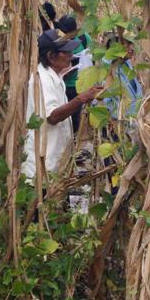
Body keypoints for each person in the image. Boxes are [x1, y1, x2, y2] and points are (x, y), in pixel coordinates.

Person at [23, 28, 102, 180]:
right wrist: (81, 98)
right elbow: (52, 117)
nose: (70, 56)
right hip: (43, 166)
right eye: (65, 52)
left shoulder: (55, 77)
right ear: (51, 56)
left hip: (55, 165)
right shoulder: (42, 80)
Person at [55, 13, 91, 132]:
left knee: (76, 118)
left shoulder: (84, 38)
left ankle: (74, 140)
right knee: (62, 117)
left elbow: (92, 58)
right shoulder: (56, 40)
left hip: (78, 86)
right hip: (61, 85)